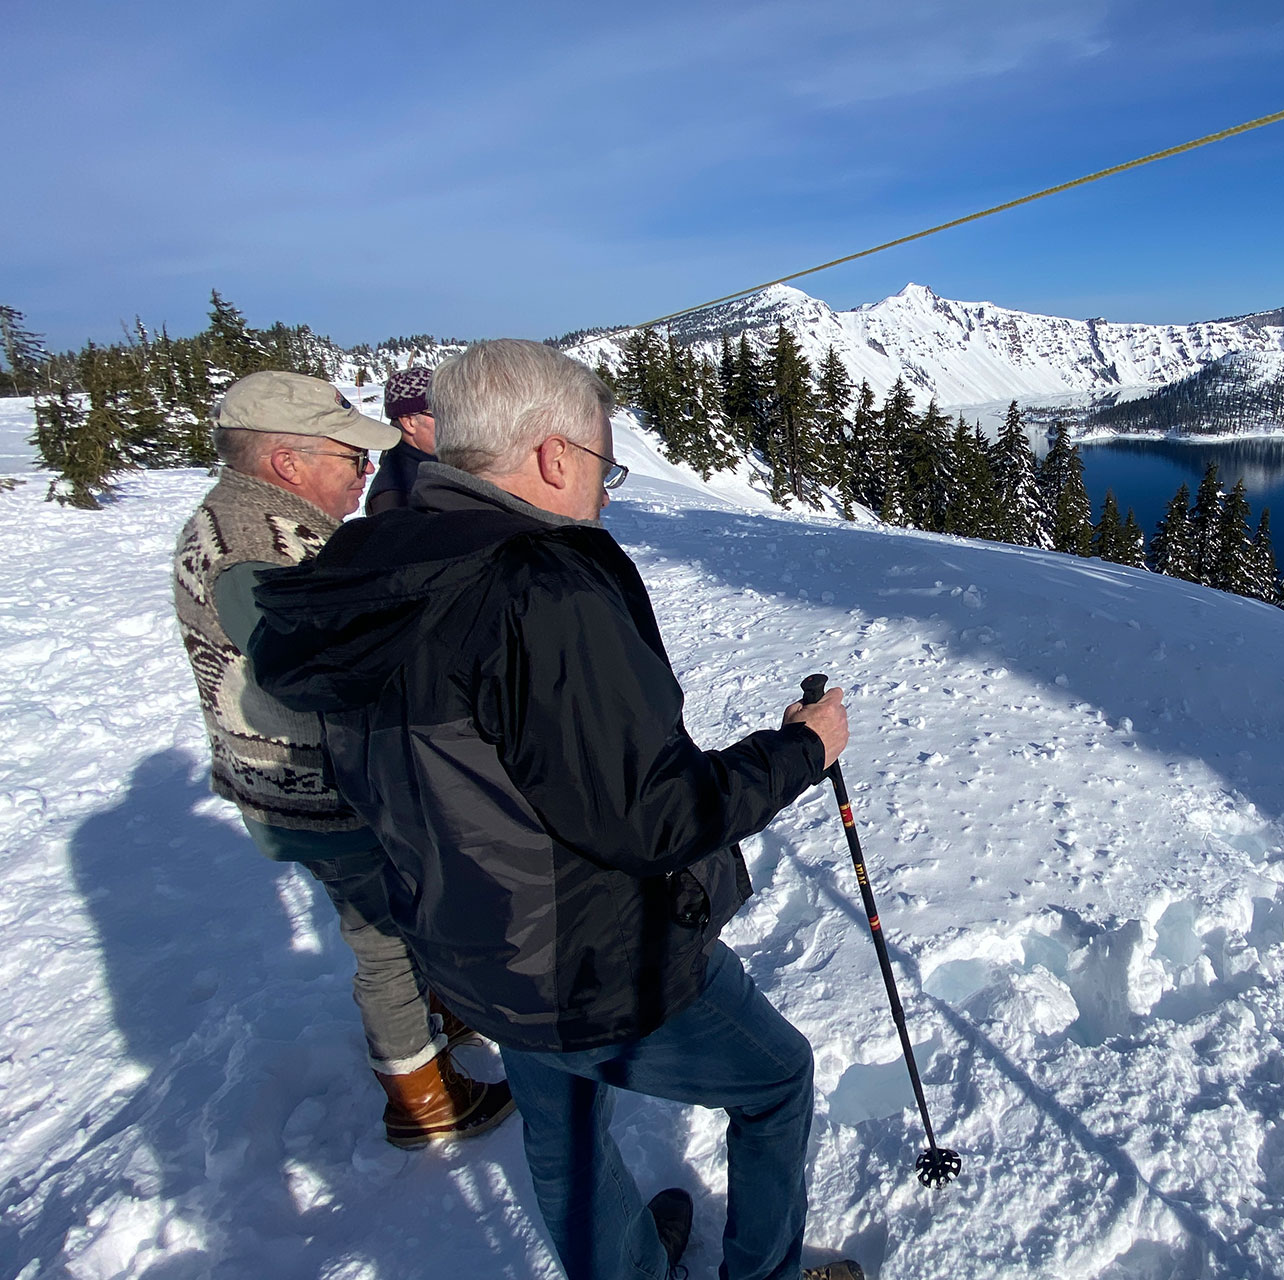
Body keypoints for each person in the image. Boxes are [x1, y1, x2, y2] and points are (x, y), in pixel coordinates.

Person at [247, 340, 863, 1280]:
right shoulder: (538, 587)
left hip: (477, 947)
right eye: (605, 465)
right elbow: (655, 816)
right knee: (775, 1080)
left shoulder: (371, 565)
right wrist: (803, 749)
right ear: (553, 457)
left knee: (564, 1133)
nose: (609, 491)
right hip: (594, 959)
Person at [170, 370, 516, 1149]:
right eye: (349, 457)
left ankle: (449, 1008)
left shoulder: (251, 518)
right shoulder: (259, 551)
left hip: (301, 782)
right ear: (288, 463)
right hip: (320, 792)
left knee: (406, 908)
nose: (364, 471)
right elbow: (329, 670)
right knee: (384, 938)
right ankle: (424, 1098)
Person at [364, 365, 436, 514]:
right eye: (440, 412)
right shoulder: (396, 496)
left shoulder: (433, 467)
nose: (453, 421)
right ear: (409, 422)